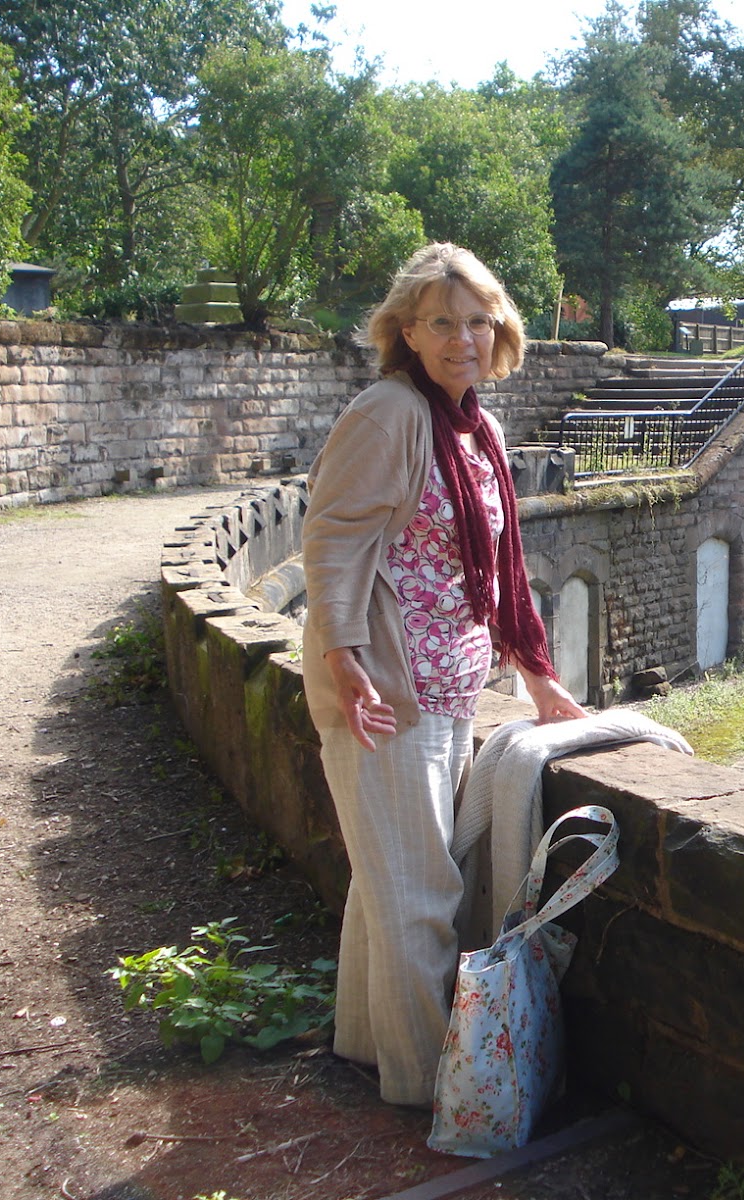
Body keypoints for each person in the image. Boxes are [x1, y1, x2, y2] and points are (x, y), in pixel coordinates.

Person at [301, 242, 585, 1107]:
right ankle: (435, 1090)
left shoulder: (475, 426)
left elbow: (502, 566)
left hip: (450, 688)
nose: (464, 339)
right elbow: (334, 538)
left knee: (390, 884)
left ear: (500, 330)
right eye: (443, 323)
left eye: (478, 321)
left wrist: (538, 677)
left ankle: (368, 1047)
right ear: (409, 332)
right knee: (419, 895)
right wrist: (344, 656)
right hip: (388, 693)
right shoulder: (390, 413)